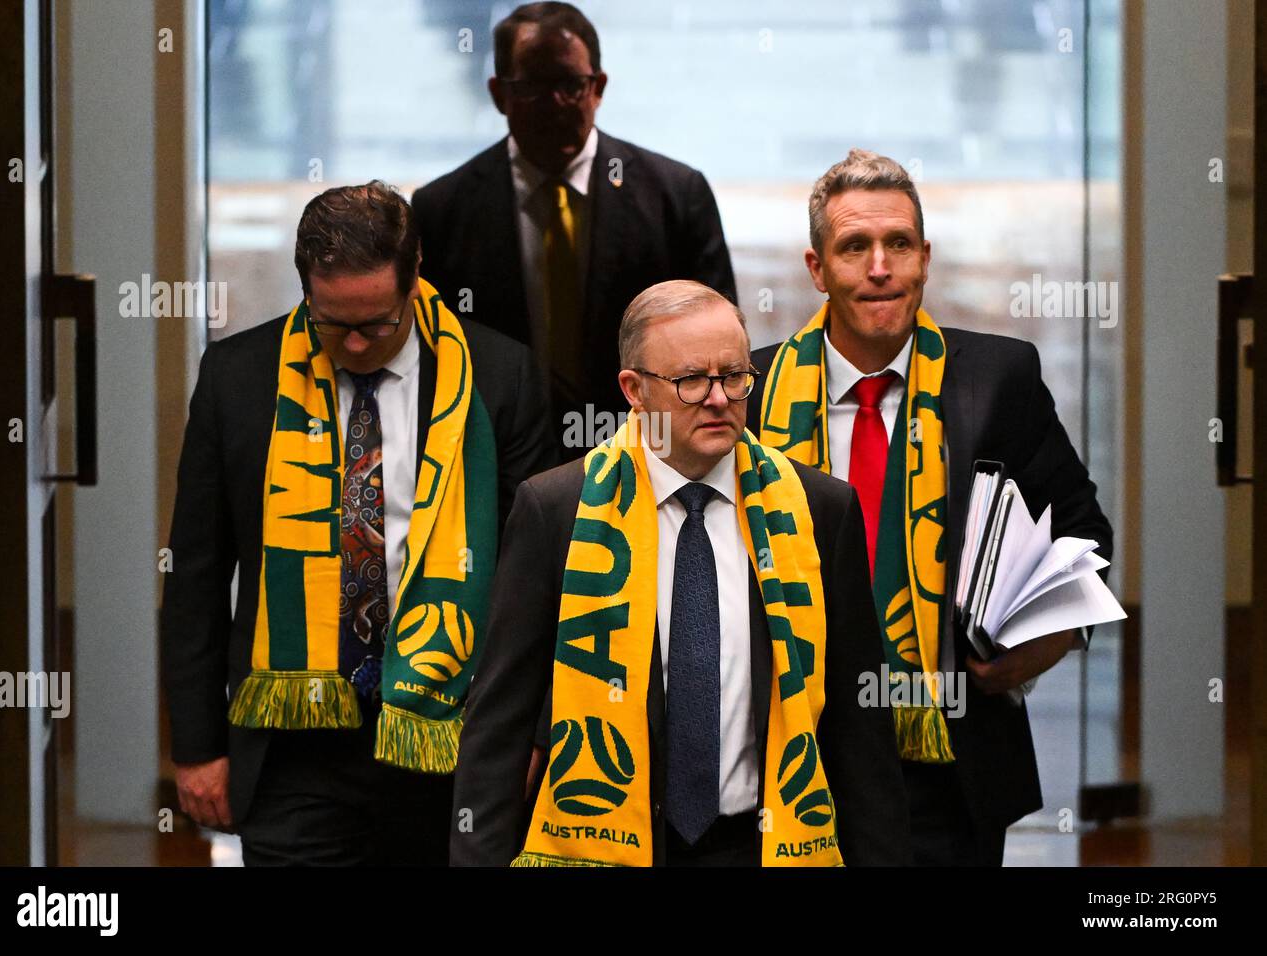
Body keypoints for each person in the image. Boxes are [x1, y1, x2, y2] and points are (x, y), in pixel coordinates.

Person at [162, 180, 556, 865]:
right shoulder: (238, 378)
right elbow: (197, 572)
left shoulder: (500, 375)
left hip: (452, 734)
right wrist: (196, 749)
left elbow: (538, 581)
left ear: (414, 278)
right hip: (293, 745)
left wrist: (536, 734)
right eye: (330, 321)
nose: (352, 343)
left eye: (376, 323)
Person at [451, 280, 909, 866]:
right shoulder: (557, 510)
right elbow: (499, 725)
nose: (719, 398)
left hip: (766, 846)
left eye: (735, 375)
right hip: (615, 847)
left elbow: (859, 734)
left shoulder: (819, 509)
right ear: (634, 390)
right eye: (691, 380)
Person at [747, 149, 1114, 865]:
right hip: (791, 753)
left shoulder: (996, 378)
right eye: (855, 247)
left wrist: (1047, 641)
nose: (880, 267)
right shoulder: (751, 389)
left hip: (951, 757)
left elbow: (1081, 534)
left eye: (899, 245)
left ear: (925, 258)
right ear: (817, 269)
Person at [411, 2, 736, 449]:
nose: (554, 105)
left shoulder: (675, 197)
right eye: (532, 88)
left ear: (598, 87)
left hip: (648, 455)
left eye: (569, 85)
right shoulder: (441, 210)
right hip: (496, 461)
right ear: (498, 94)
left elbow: (722, 345)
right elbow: (431, 363)